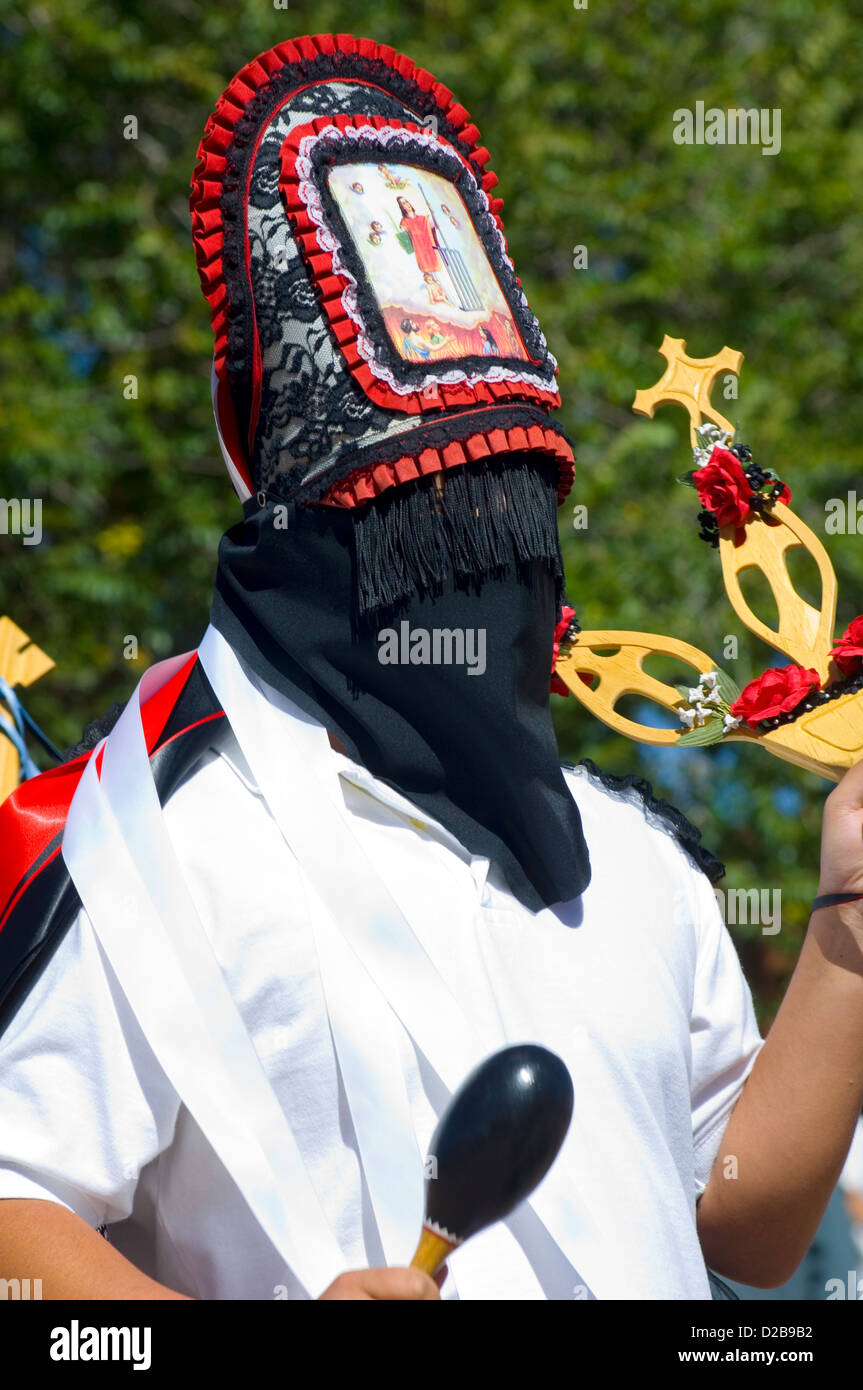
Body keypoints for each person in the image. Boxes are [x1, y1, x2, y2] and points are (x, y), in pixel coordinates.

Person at [2, 32, 863, 1304]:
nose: (482, 597)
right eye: (424, 542)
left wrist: (846, 919)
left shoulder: (634, 856)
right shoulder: (155, 850)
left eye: (513, 536)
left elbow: (740, 1227)